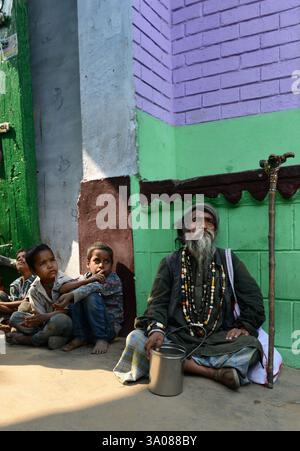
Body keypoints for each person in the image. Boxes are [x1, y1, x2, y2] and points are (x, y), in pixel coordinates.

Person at [114, 204, 266, 390]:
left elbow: (253, 298)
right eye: (195, 220)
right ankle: (214, 372)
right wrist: (157, 331)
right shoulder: (170, 262)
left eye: (208, 221)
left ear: (214, 230)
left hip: (217, 338)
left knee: (251, 345)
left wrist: (245, 326)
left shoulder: (228, 259)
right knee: (136, 339)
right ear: (185, 230)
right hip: (176, 335)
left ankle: (177, 363)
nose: (202, 226)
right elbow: (157, 302)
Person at [55, 242, 123, 355]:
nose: (101, 265)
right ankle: (80, 337)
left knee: (89, 294)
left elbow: (93, 287)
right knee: (76, 292)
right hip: (89, 329)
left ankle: (102, 339)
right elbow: (62, 288)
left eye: (106, 261)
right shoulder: (85, 277)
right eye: (97, 261)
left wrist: (72, 294)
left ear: (111, 265)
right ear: (88, 263)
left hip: (109, 329)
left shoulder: (113, 279)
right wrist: (83, 284)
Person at [6, 244, 73, 350]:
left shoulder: (65, 281)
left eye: (52, 260)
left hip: (65, 322)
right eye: (43, 263)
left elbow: (68, 311)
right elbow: (40, 316)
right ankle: (51, 338)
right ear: (34, 271)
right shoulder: (34, 289)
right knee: (15, 317)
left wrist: (45, 317)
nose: (50, 265)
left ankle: (30, 340)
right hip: (45, 324)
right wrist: (34, 320)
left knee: (59, 320)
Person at [0, 250, 36, 331]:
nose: (20, 259)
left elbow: (27, 302)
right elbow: (14, 307)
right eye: (18, 258)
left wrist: (1, 304)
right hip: (16, 311)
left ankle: (14, 326)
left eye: (24, 257)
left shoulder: (37, 279)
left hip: (31, 312)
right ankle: (8, 323)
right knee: (1, 294)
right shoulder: (15, 284)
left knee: (25, 305)